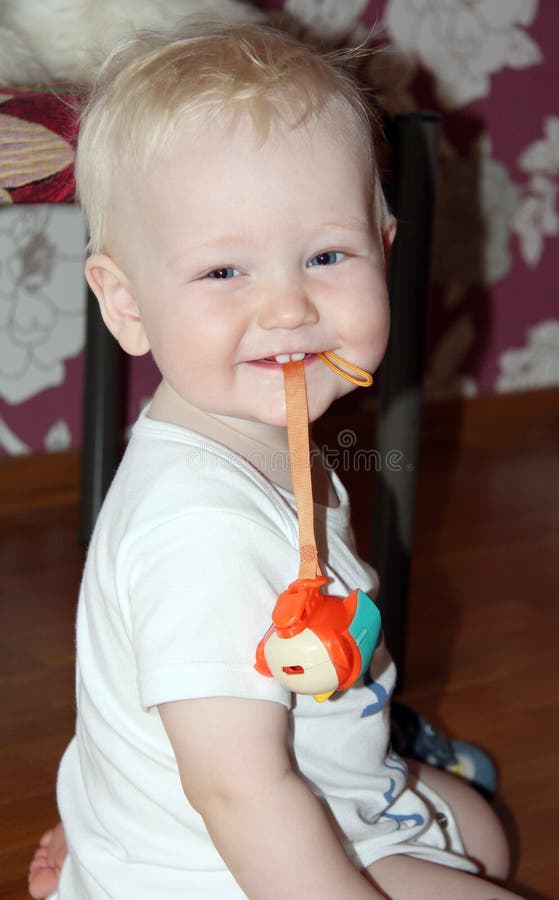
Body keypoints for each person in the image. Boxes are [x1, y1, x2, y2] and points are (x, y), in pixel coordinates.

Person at [28, 21, 525, 899]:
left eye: (327, 256)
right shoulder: (199, 529)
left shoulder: (244, 437)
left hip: (276, 781)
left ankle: (113, 830)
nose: (289, 306)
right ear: (127, 303)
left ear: (385, 249)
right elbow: (240, 791)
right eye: (225, 272)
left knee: (484, 834)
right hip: (235, 861)